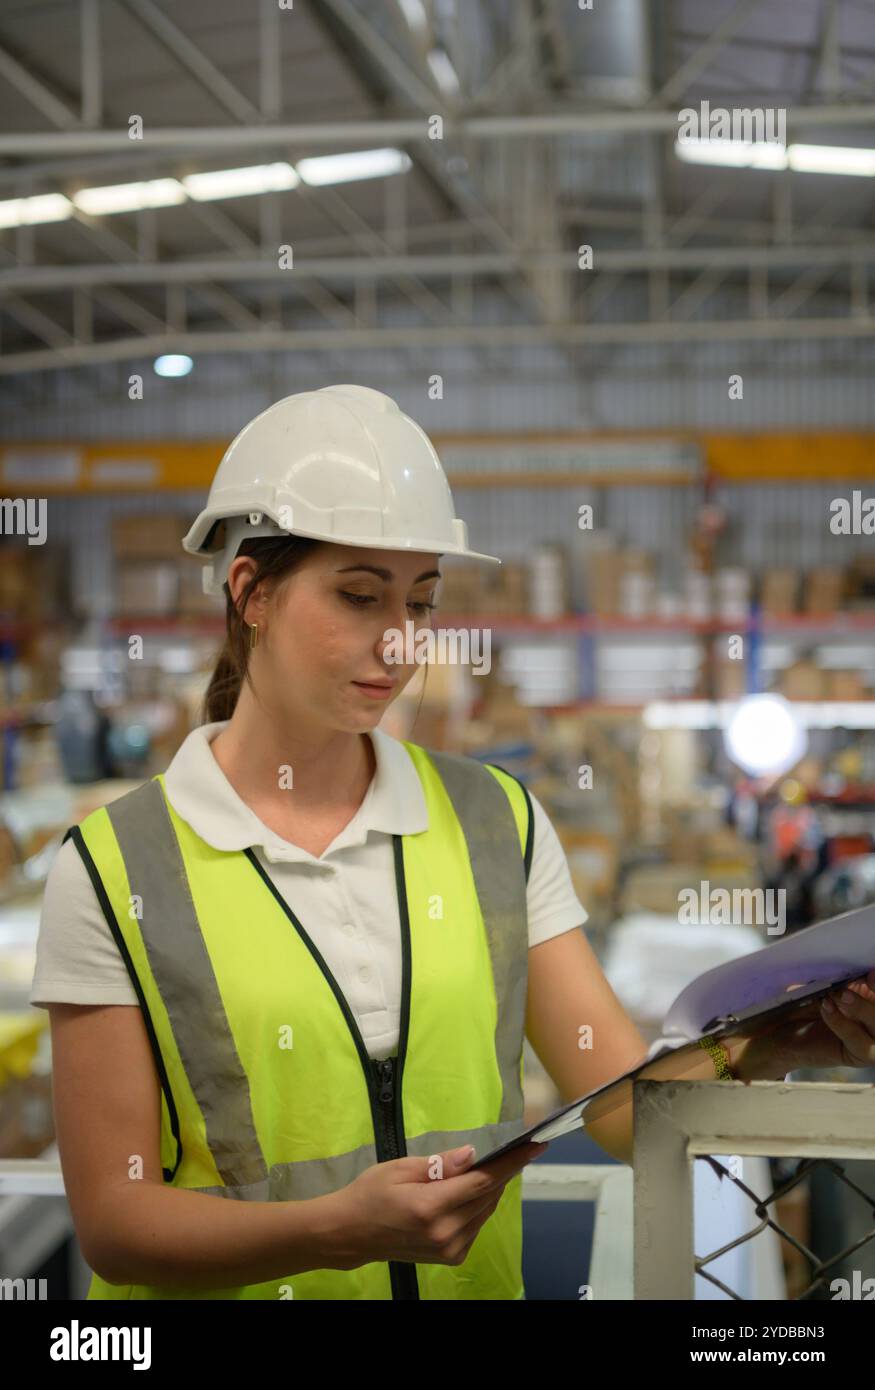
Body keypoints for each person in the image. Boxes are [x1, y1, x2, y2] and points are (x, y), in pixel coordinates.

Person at [31, 385, 875, 1301]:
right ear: (251, 593)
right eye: (358, 597)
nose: (398, 643)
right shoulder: (116, 871)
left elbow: (624, 1108)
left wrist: (784, 1041)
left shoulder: (493, 823)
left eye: (421, 602)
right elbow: (118, 1228)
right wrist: (333, 1232)